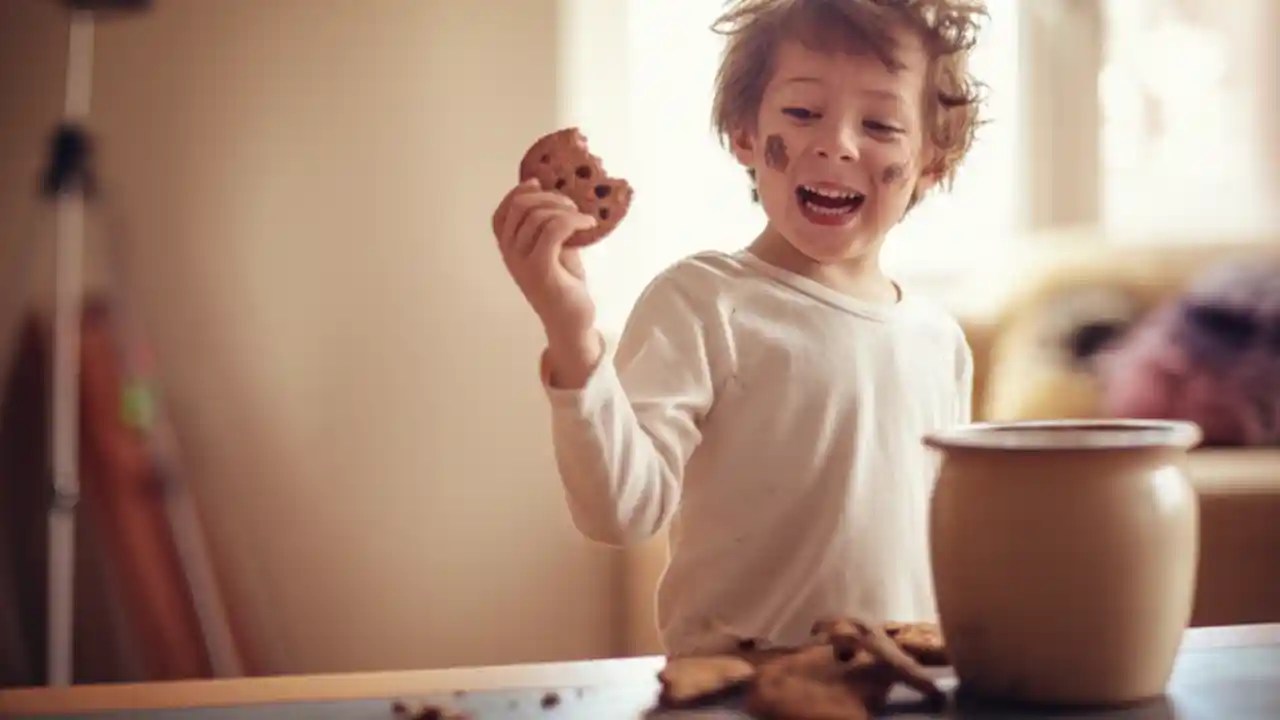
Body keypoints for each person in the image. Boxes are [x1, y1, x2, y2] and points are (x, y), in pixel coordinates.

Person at [491, 0, 987, 657]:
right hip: (735, 689)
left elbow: (942, 544)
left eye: (880, 123)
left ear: (932, 162)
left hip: (900, 685)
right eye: (803, 112)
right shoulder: (701, 303)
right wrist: (571, 330)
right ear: (744, 133)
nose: (836, 142)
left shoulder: (940, 341)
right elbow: (620, 512)